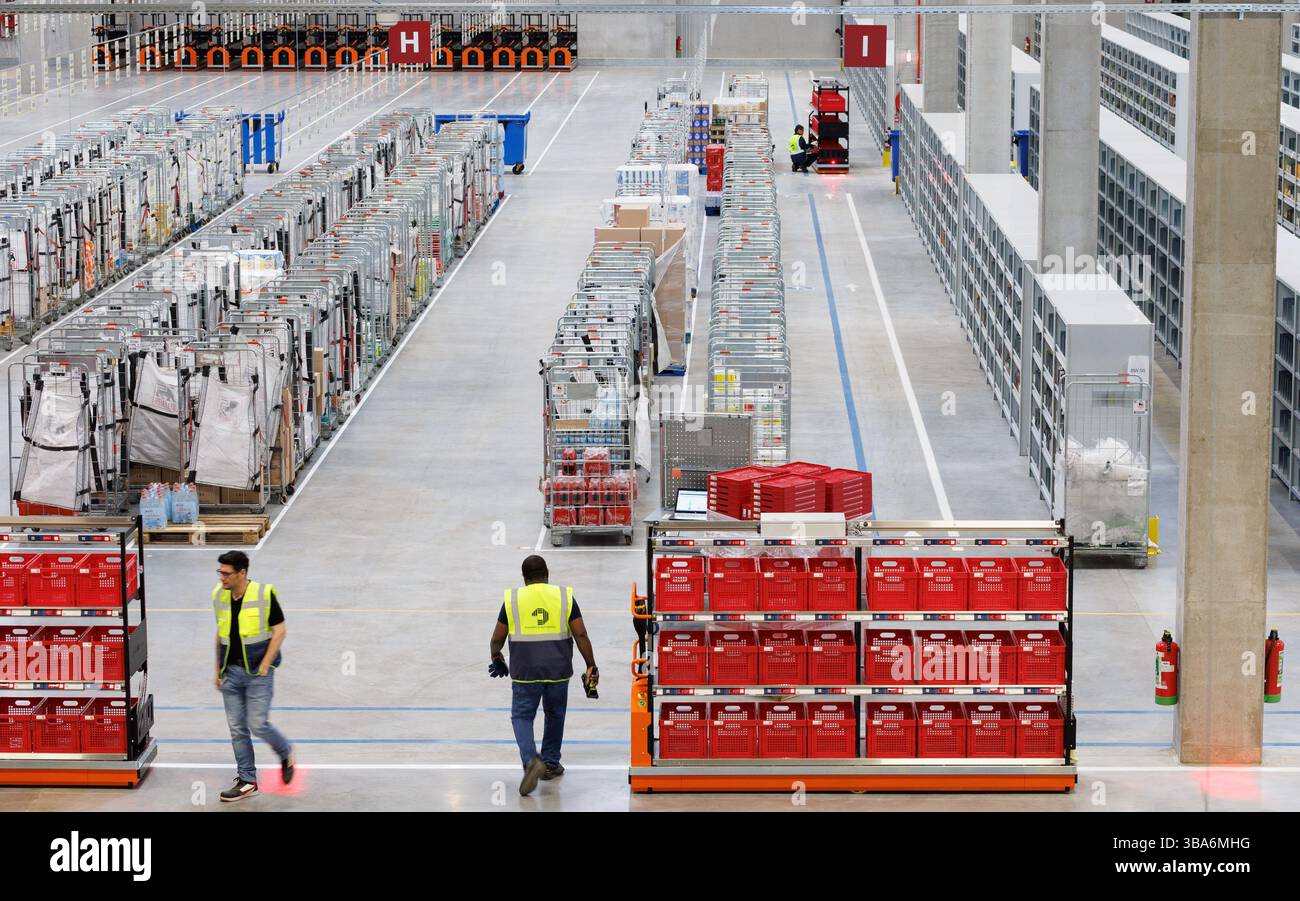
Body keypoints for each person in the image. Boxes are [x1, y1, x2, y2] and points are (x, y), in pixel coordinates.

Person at [489, 554, 598, 797]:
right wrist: (591, 664)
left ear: (524, 578)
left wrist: (496, 657)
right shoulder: (563, 596)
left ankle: (531, 762)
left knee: (522, 717)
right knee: (555, 714)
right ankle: (549, 762)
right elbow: (580, 634)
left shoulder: (513, 599)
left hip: (525, 670)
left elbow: (497, 637)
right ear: (547, 574)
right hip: (558, 669)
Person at [212, 550, 293, 802]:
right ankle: (247, 780)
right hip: (231, 672)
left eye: (226, 573)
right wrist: (217, 669)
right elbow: (221, 632)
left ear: (242, 573)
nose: (221, 578)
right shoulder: (218, 596)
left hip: (258, 672)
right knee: (237, 728)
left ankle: (285, 752)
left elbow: (279, 631)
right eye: (220, 572)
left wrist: (267, 664)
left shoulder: (264, 594)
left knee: (257, 724)